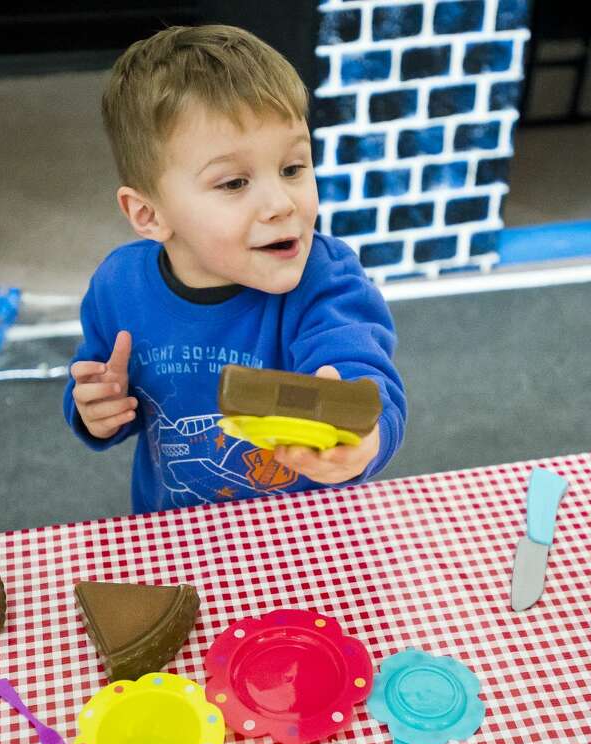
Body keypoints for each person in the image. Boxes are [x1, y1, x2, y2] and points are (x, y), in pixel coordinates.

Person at [63, 24, 407, 514]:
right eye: (233, 183)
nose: (280, 203)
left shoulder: (328, 280)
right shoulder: (117, 286)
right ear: (149, 215)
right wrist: (97, 409)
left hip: (311, 531)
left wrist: (362, 437)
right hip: (176, 525)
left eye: (292, 168)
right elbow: (103, 385)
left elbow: (365, 381)